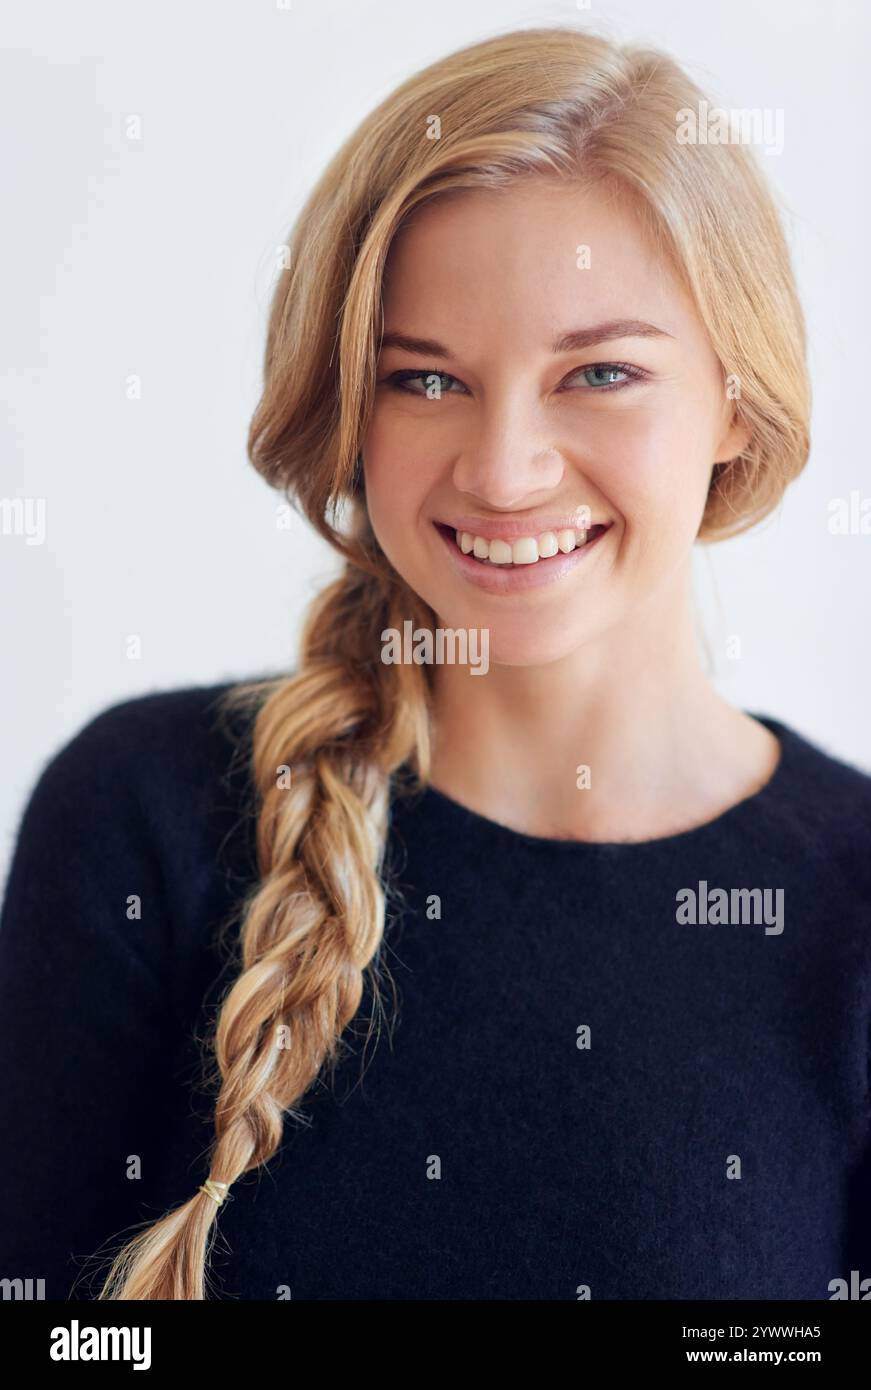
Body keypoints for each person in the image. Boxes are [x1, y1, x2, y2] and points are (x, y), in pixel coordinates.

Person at [1, 25, 870, 1302]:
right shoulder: (146, 814)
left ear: (737, 401)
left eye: (601, 372)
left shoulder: (847, 907)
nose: (504, 469)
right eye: (424, 380)